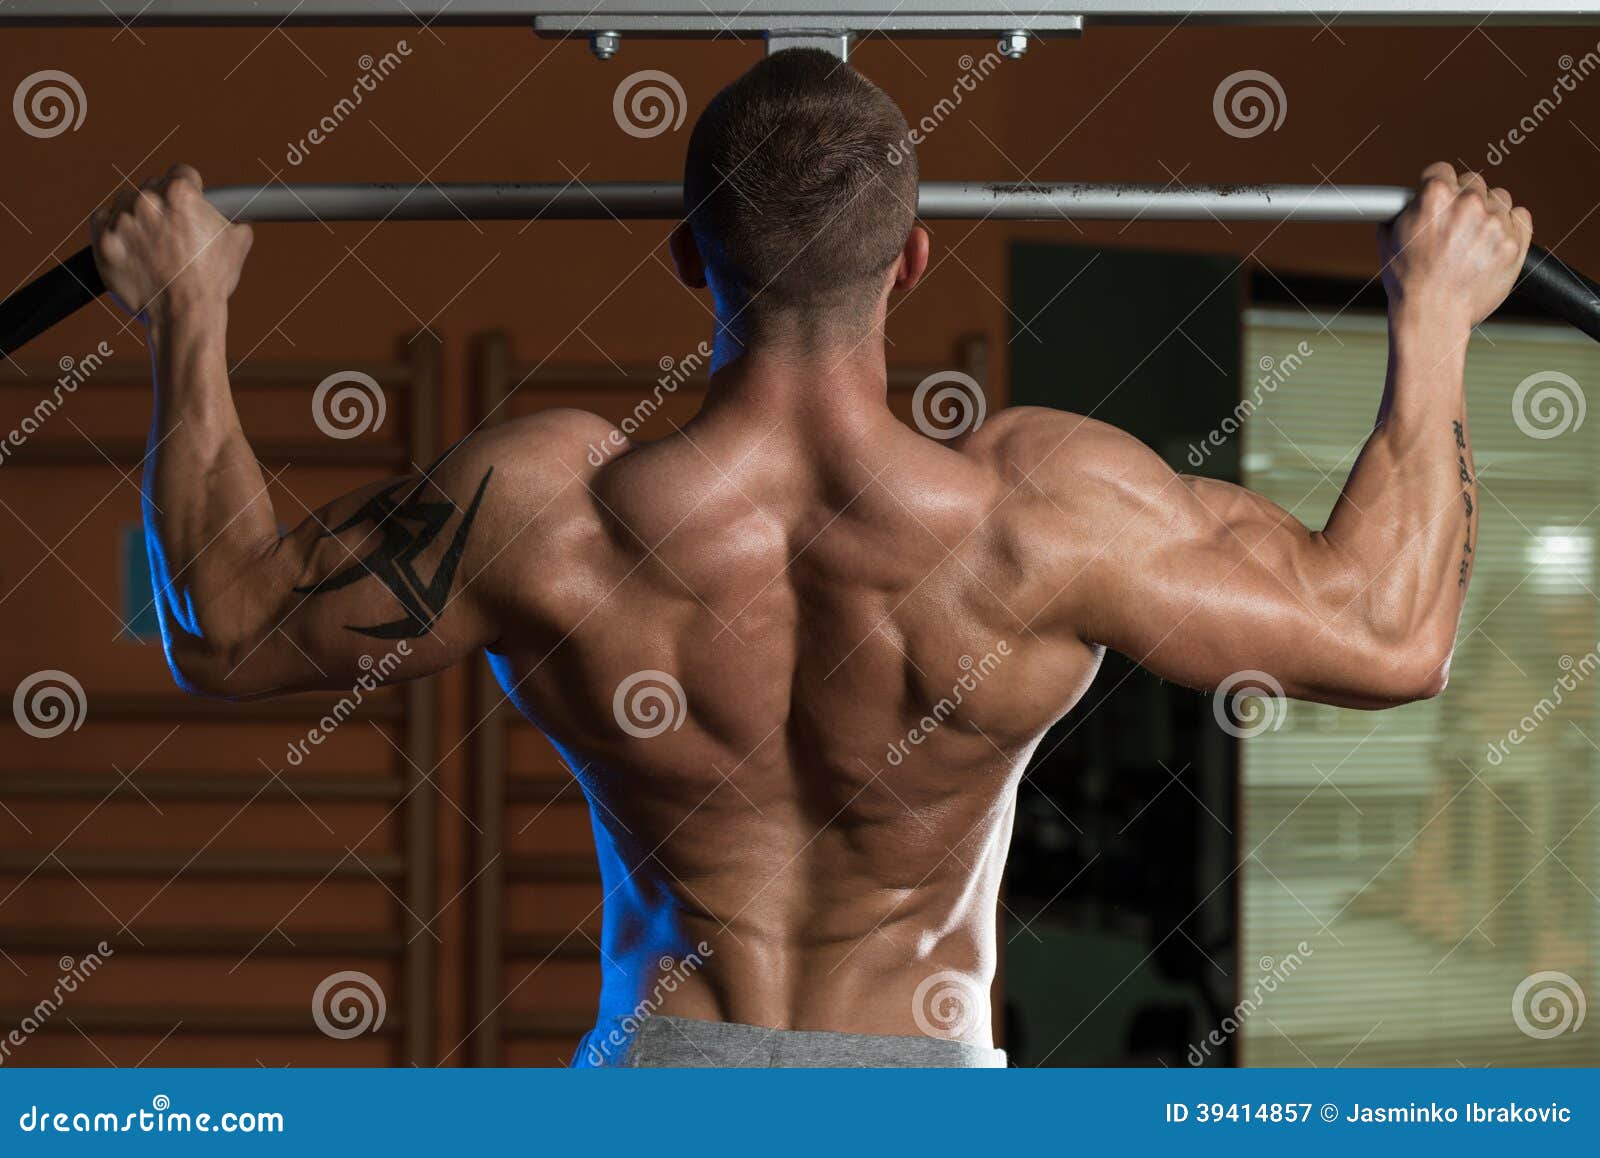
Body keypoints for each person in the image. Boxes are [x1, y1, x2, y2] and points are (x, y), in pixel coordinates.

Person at [89, 48, 1531, 1067]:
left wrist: (190, 316)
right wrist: (1436, 324)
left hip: (667, 1075)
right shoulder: (1039, 513)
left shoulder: (554, 513)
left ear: (685, 258)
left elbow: (225, 625)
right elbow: (1390, 636)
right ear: (911, 260)